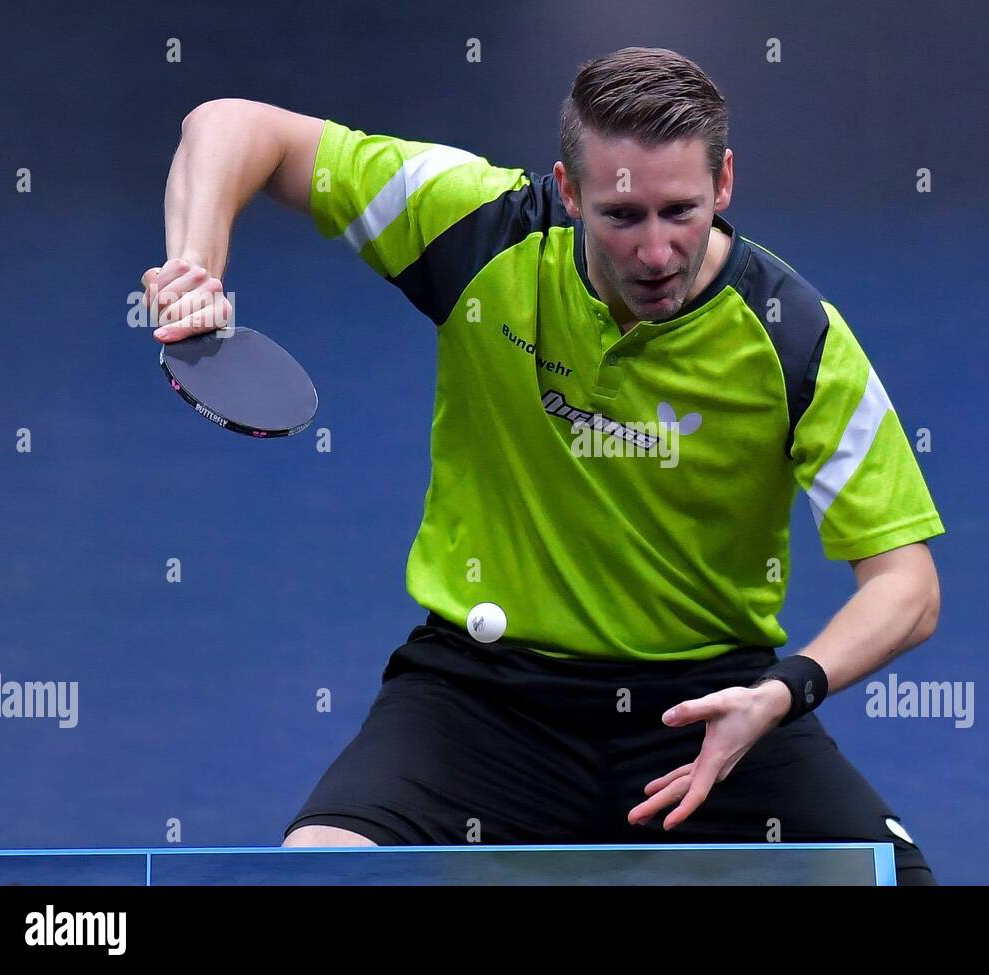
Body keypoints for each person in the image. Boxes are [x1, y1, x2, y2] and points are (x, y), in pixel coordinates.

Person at [144, 47, 946, 885]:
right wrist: (196, 264)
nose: (657, 251)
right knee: (315, 877)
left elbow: (907, 583)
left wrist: (782, 693)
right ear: (568, 191)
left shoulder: (796, 336)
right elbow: (231, 125)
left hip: (711, 707)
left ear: (726, 183)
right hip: (481, 699)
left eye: (683, 211)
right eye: (622, 217)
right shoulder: (479, 230)